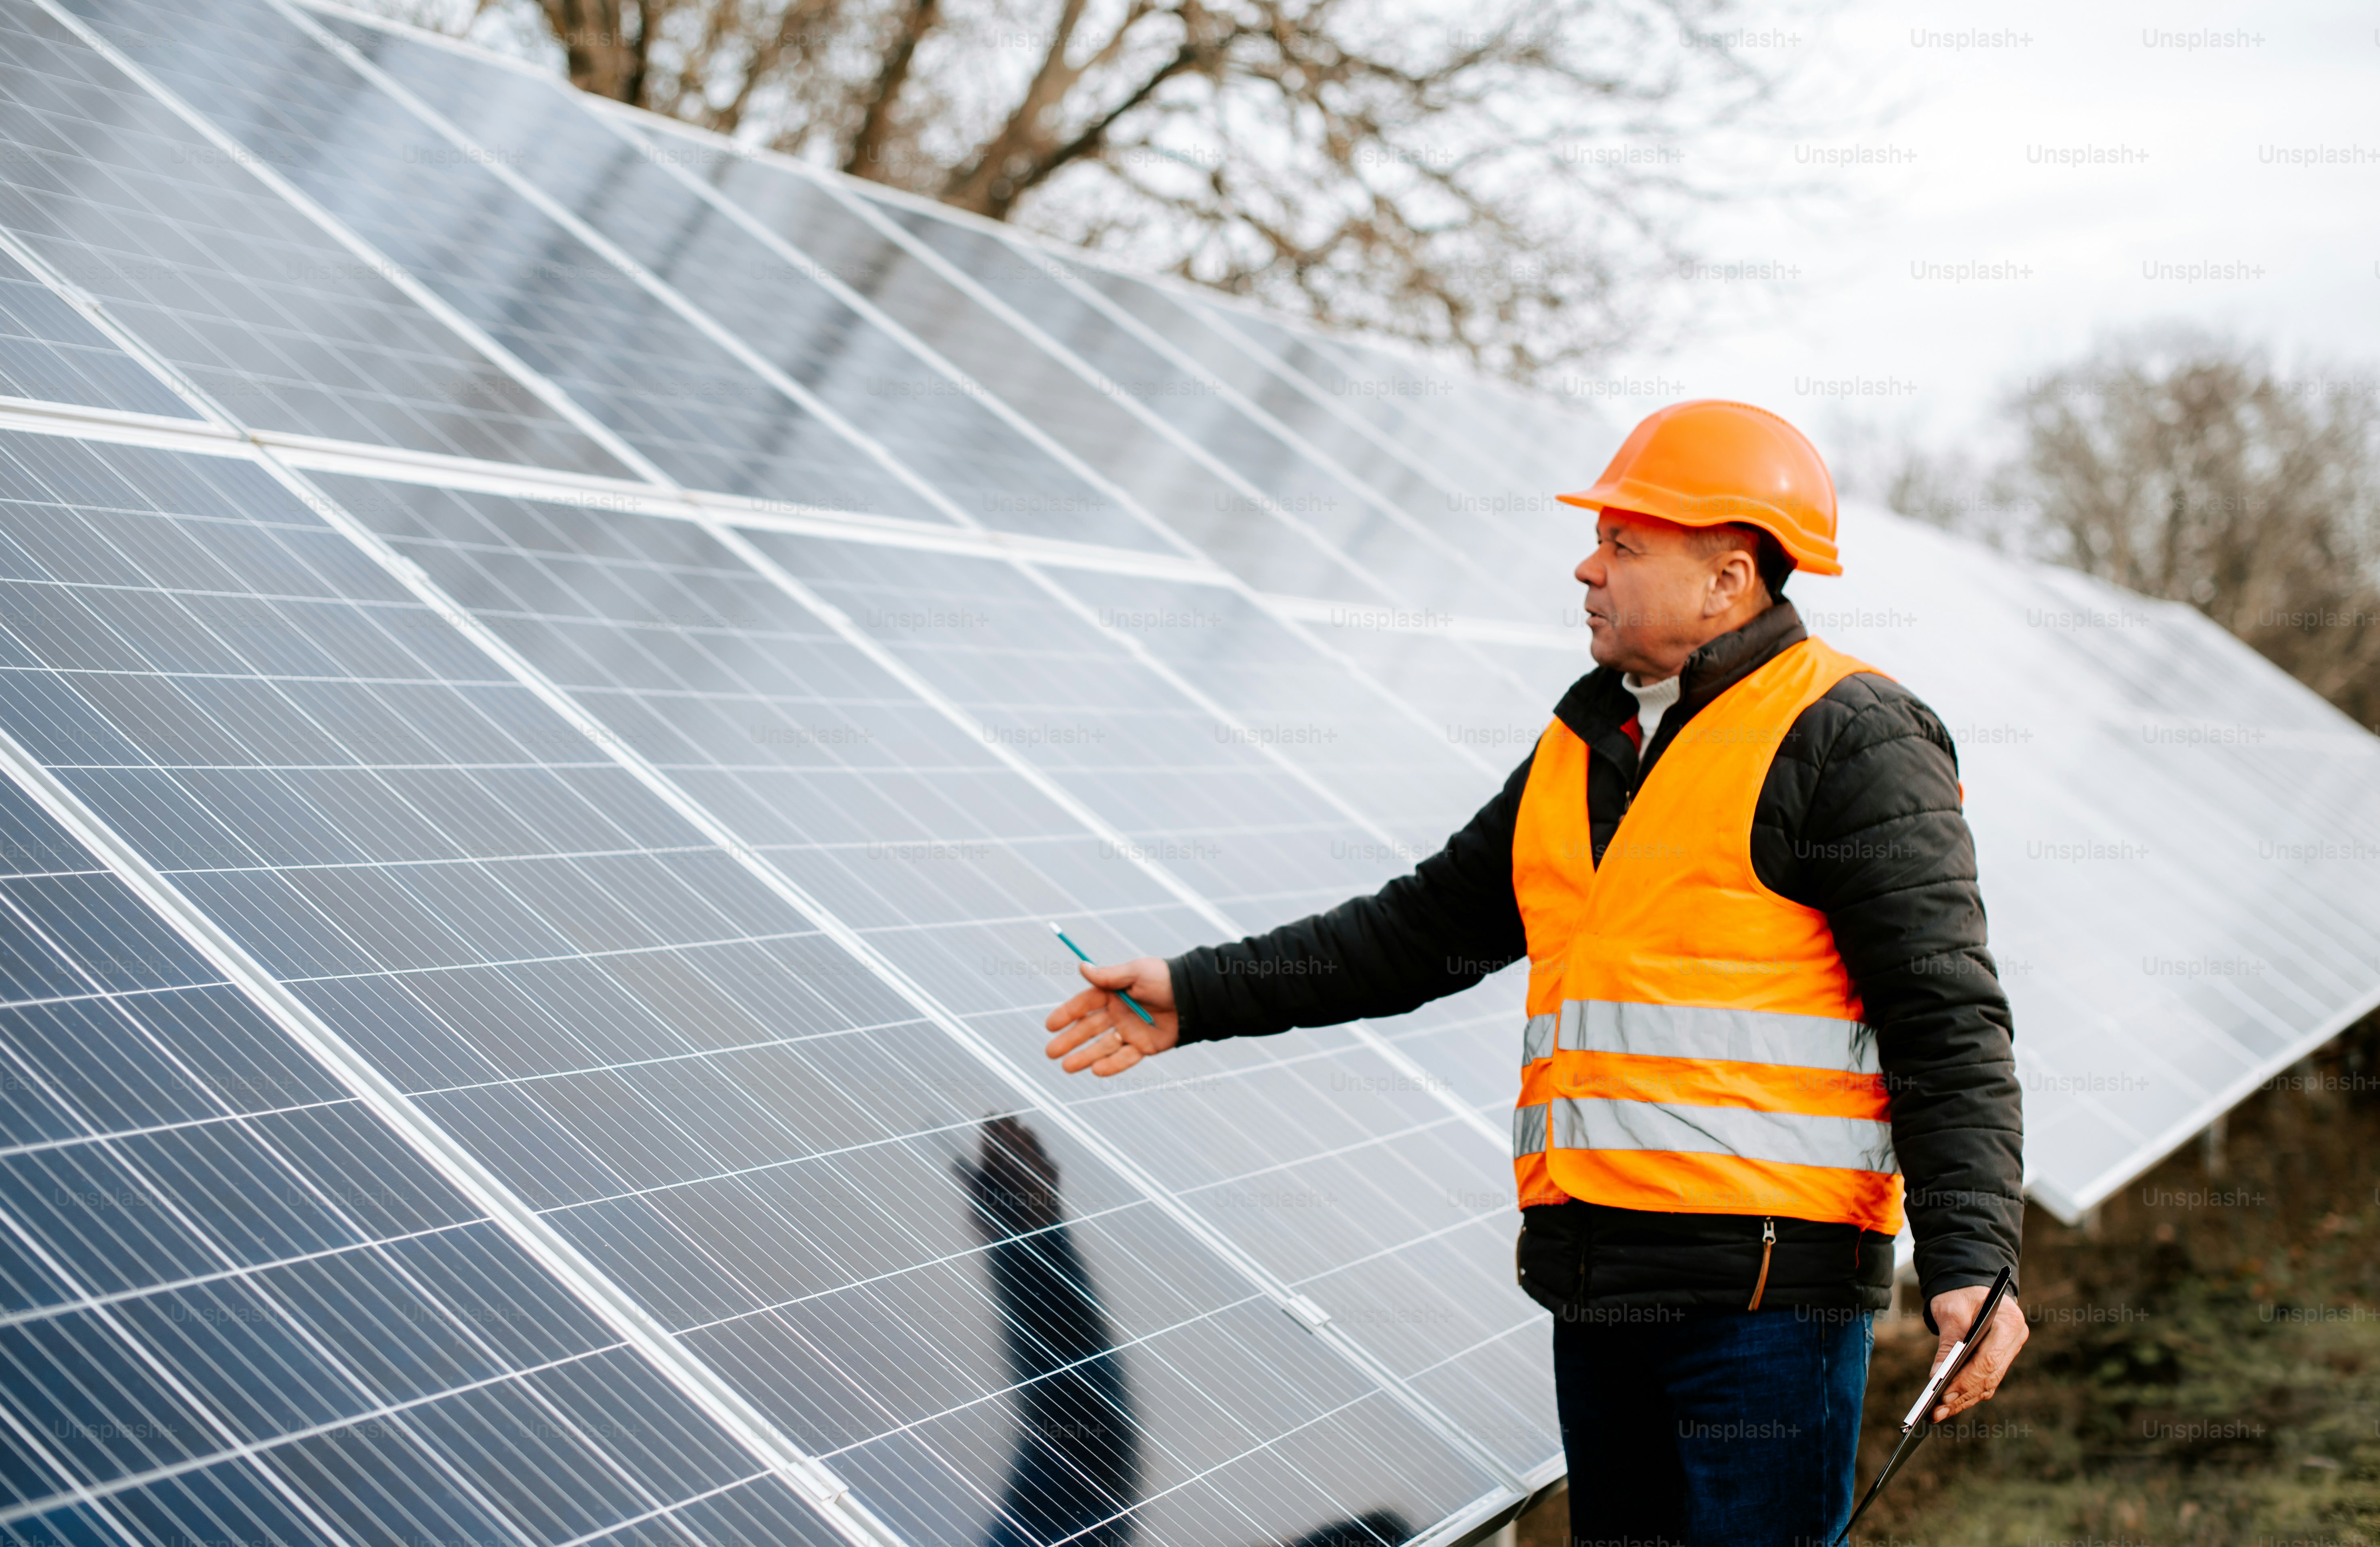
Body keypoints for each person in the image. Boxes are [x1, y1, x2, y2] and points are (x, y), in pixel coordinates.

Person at [1042, 401, 2028, 1547]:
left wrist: (1972, 1258)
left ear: (1728, 576)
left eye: (1624, 544)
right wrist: (1199, 992)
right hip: (1598, 1288)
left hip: (1769, 1308)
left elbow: (1948, 1019)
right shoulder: (1585, 743)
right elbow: (1418, 930)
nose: (1587, 566)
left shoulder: (1852, 737)